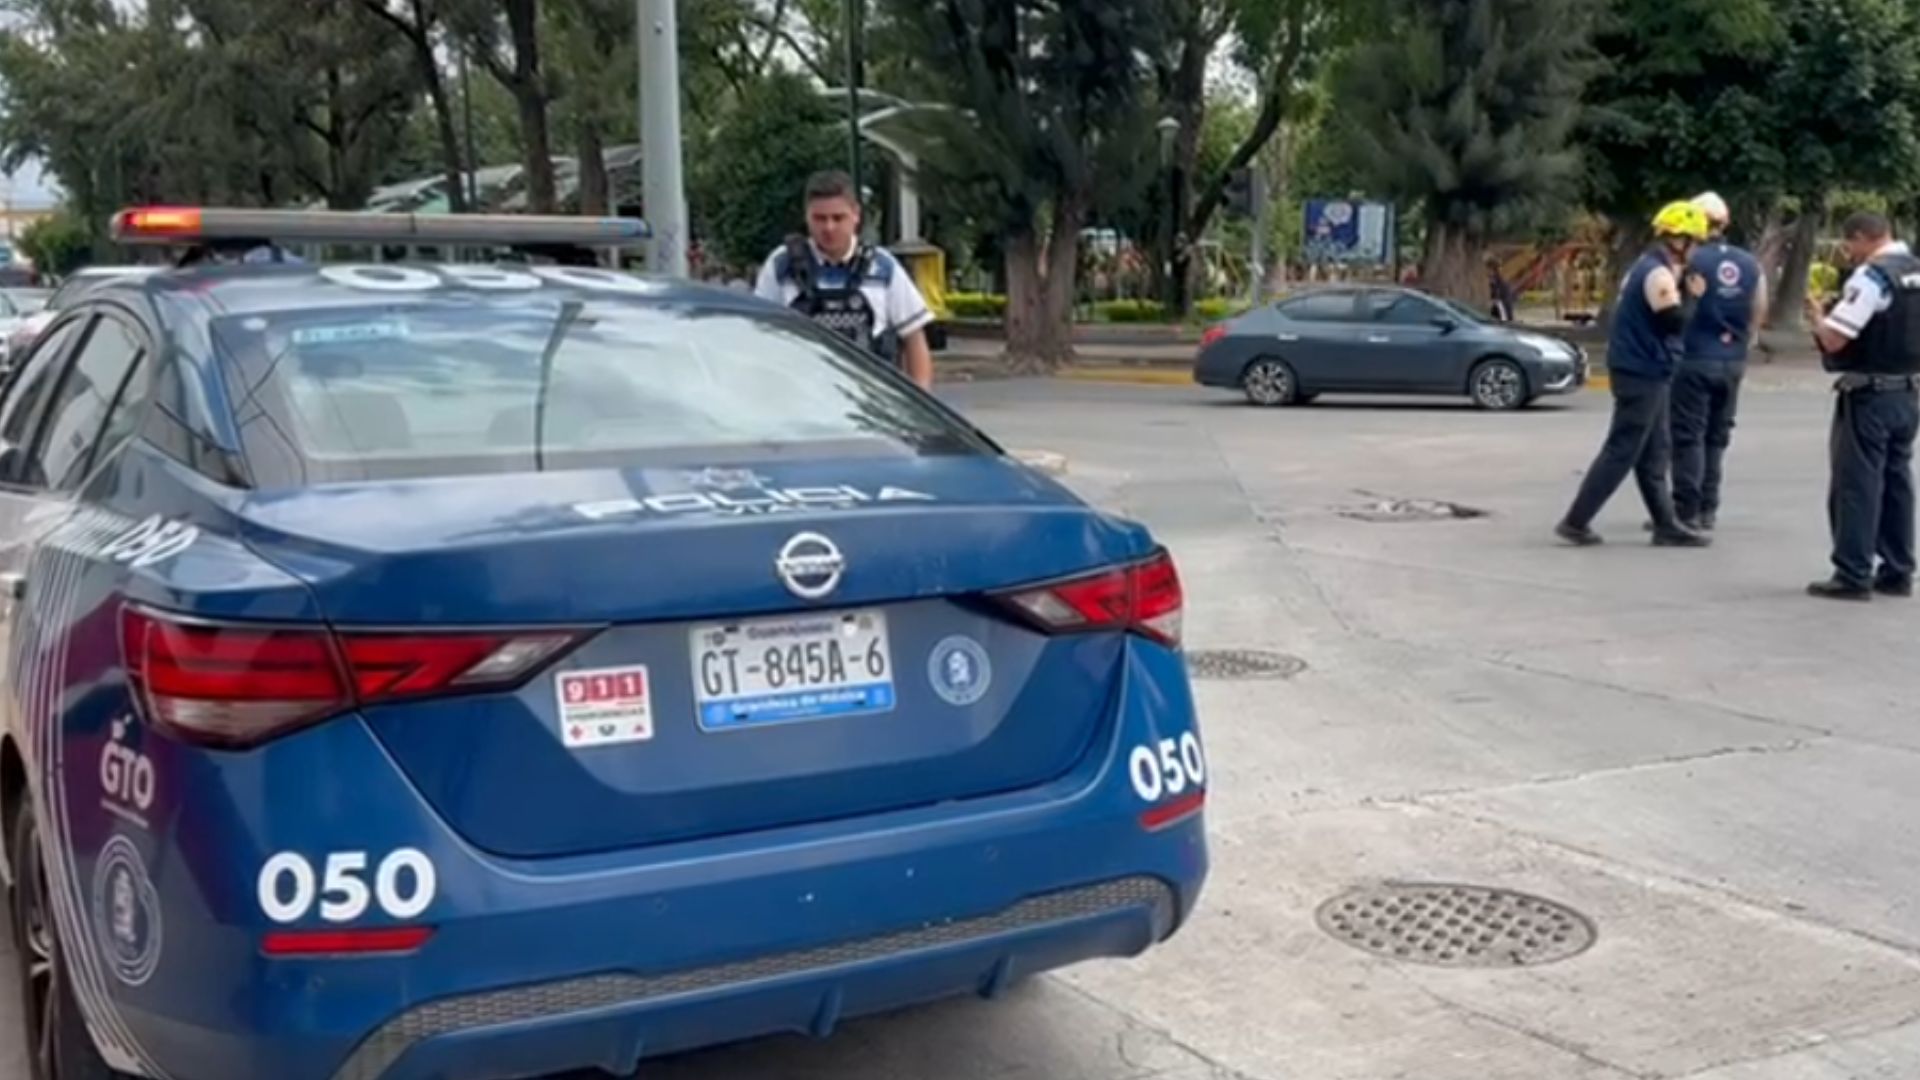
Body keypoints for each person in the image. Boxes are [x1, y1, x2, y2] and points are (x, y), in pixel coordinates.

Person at [1555, 201, 1714, 548]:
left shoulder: (1646, 266)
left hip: (1643, 366)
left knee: (1655, 450)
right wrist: (1693, 296)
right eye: (1695, 242)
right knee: (1623, 448)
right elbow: (1673, 322)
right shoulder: (1658, 275)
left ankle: (1665, 524)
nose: (1697, 250)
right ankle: (1575, 520)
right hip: (1643, 369)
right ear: (1679, 240)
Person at [1803, 211, 1920, 600]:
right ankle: (1898, 569)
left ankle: (1852, 572)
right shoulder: (1915, 272)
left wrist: (1819, 318)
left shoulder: (1872, 278)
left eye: (1850, 244)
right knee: (1896, 481)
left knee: (1858, 483)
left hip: (1869, 393)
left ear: (1863, 237)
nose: (1850, 253)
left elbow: (1837, 339)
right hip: (1909, 391)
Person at [754, 170, 937, 390]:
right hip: (800, 402)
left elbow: (914, 339)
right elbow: (760, 337)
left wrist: (918, 403)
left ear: (856, 214)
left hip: (869, 404)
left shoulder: (883, 267)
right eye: (819, 218)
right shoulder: (781, 266)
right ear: (806, 216)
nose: (829, 228)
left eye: (838, 218)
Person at [1670, 191, 1767, 530]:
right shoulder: (1749, 262)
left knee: (1688, 436)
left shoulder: (1690, 261)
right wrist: (1743, 342)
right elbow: (1758, 308)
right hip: (1732, 360)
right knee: (1717, 436)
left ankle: (1686, 509)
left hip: (1694, 356)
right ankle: (1709, 507)